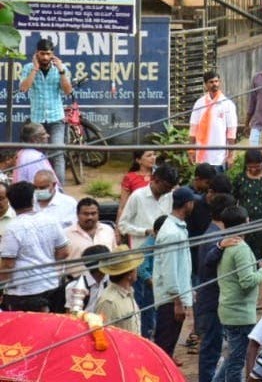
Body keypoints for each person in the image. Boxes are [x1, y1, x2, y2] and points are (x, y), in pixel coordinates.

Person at [214, 205, 262, 382]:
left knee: (233, 356)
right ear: (245, 224)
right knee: (237, 362)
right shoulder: (241, 249)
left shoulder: (227, 245)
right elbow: (246, 282)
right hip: (239, 313)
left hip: (230, 309)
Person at [0, 181, 69, 311]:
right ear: (33, 199)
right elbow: (64, 252)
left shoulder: (12, 229)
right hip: (52, 285)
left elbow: (8, 265)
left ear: (9, 201)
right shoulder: (51, 220)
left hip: (23, 293)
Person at [18, 38, 72, 185]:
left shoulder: (61, 68)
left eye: (48, 54)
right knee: (37, 155)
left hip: (56, 118)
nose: (45, 57)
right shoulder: (29, 68)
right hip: (37, 120)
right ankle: (38, 188)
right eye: (42, 54)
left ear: (52, 54)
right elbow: (23, 88)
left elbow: (68, 91)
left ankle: (59, 190)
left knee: (58, 153)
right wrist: (35, 69)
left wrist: (61, 71)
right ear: (37, 53)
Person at [154, 186, 197, 355]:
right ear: (187, 204)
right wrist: (178, 302)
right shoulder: (171, 232)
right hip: (170, 301)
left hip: (175, 297)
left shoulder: (177, 227)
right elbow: (169, 270)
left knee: (168, 346)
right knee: (164, 347)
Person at [189, 71, 237, 170]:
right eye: (211, 82)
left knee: (217, 184)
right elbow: (193, 130)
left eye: (216, 81)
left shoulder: (227, 104)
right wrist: (191, 151)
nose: (215, 84)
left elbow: (231, 133)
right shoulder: (199, 103)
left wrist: (231, 156)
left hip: (219, 156)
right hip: (201, 155)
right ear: (205, 85)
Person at [96, 245, 144, 334]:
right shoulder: (108, 302)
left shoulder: (129, 293)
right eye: (135, 268)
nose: (137, 270)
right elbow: (102, 334)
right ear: (129, 274)